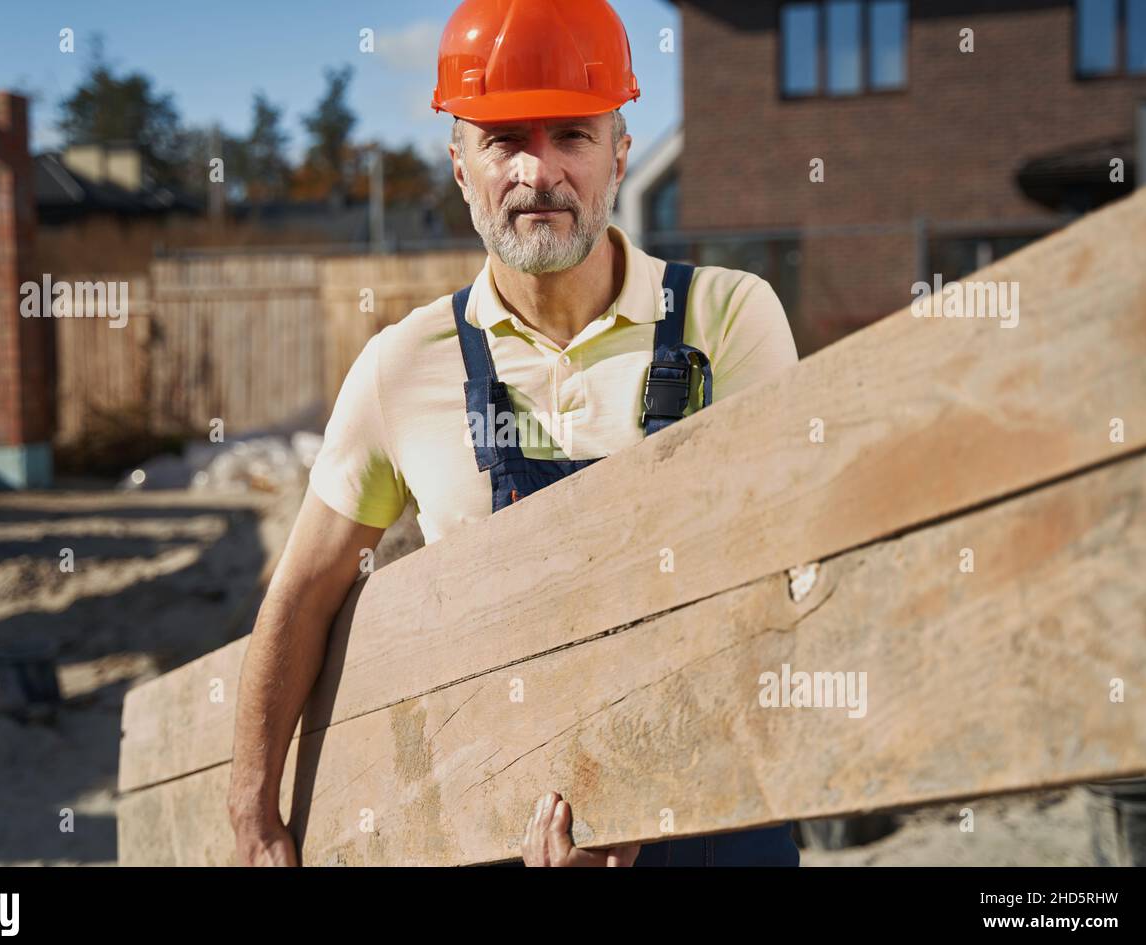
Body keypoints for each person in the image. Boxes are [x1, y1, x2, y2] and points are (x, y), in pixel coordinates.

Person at [228, 0, 800, 867]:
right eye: (502, 139)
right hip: (497, 820)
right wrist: (254, 814)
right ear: (460, 167)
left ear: (620, 154)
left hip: (717, 802)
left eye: (572, 134)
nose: (540, 171)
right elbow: (304, 594)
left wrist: (638, 787)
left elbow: (786, 560)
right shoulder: (402, 366)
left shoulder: (728, 320)